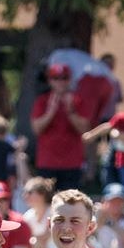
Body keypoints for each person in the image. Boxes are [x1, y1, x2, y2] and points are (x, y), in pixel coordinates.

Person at [32, 63, 92, 192]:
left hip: (72, 163)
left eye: (64, 78)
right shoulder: (42, 101)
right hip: (47, 162)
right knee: (47, 203)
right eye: (56, 78)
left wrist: (70, 111)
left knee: (70, 205)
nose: (60, 82)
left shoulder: (78, 100)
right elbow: (37, 129)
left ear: (69, 80)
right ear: (49, 80)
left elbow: (84, 129)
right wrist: (51, 111)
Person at [20, 177, 57, 248]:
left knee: (34, 242)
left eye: (29, 192)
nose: (25, 196)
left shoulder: (54, 212)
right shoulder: (28, 216)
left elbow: (45, 237)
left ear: (42, 194)